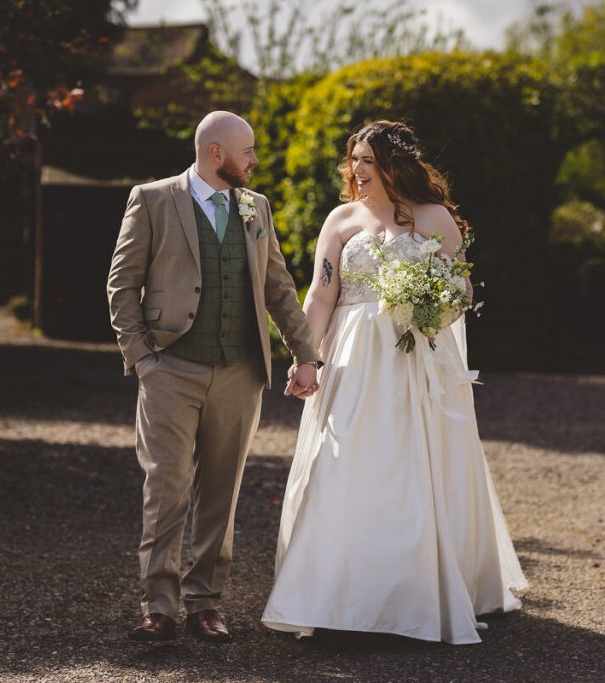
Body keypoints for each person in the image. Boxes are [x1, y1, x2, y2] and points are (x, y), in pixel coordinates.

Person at [261, 120, 527, 644]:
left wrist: (424, 307)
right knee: (344, 463)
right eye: (353, 160)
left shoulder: (434, 218)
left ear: (394, 164)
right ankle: (334, 591)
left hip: (412, 359)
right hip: (352, 356)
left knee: (410, 463)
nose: (357, 171)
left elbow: (462, 289)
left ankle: (412, 591)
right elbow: (321, 294)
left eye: (367, 161)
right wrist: (306, 358)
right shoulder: (340, 220)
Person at [107, 111, 322, 642]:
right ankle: (159, 606)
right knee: (167, 488)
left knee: (221, 493)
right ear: (216, 154)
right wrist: (144, 361)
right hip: (171, 370)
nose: (254, 160)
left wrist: (306, 353)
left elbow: (278, 286)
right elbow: (121, 284)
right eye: (247, 151)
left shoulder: (256, 207)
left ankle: (205, 603)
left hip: (239, 373)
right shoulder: (153, 199)